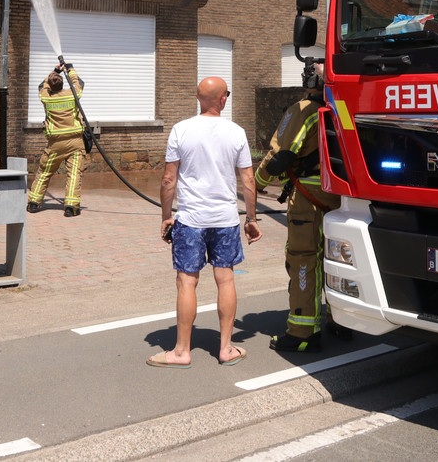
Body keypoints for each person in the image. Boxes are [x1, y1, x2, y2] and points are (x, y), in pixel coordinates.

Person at [147, 77, 262, 368]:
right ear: (222, 99)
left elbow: (168, 178)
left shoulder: (181, 130)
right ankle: (226, 349)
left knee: (187, 282)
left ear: (199, 98)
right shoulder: (236, 132)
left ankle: (181, 351)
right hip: (225, 219)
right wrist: (251, 218)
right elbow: (248, 180)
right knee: (225, 279)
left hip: (190, 220)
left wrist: (165, 216)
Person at [256, 62, 343, 353]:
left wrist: (256, 183)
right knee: (339, 259)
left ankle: (303, 331)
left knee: (304, 258)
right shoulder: (342, 105)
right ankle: (342, 319)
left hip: (309, 198)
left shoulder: (303, 109)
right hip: (342, 197)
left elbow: (281, 155)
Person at [27, 61, 88, 217]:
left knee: (45, 172)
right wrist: (70, 68)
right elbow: (79, 82)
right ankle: (71, 207)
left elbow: (42, 85)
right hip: (75, 141)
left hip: (55, 143)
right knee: (74, 174)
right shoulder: (72, 94)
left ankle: (34, 203)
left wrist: (55, 71)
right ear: (62, 85)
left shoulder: (46, 98)